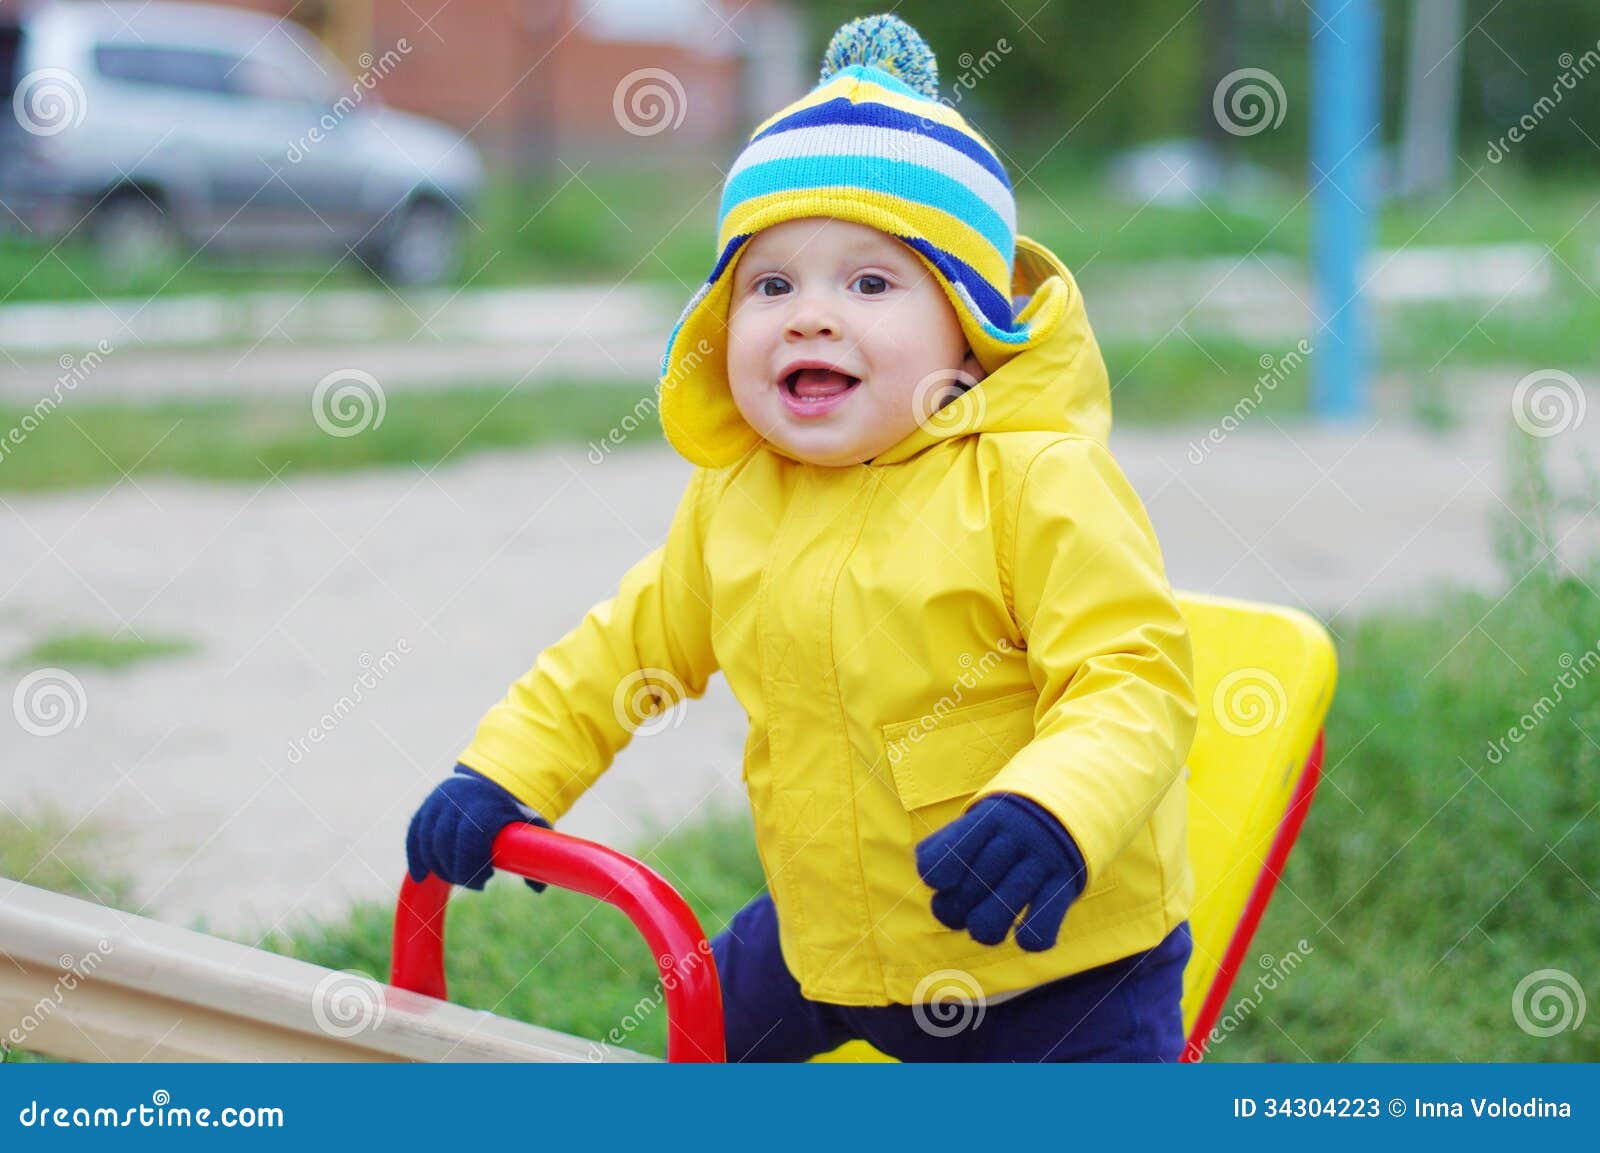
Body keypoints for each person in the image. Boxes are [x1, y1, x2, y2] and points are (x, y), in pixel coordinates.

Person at [407, 13, 1198, 1062]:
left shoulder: (1031, 479)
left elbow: (1133, 677)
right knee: (685, 1066)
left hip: (1049, 960)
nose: (808, 316)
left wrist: (1053, 808)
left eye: (869, 283)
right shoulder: (738, 496)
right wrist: (503, 773)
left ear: (970, 324)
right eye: (770, 284)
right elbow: (623, 652)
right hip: (828, 936)